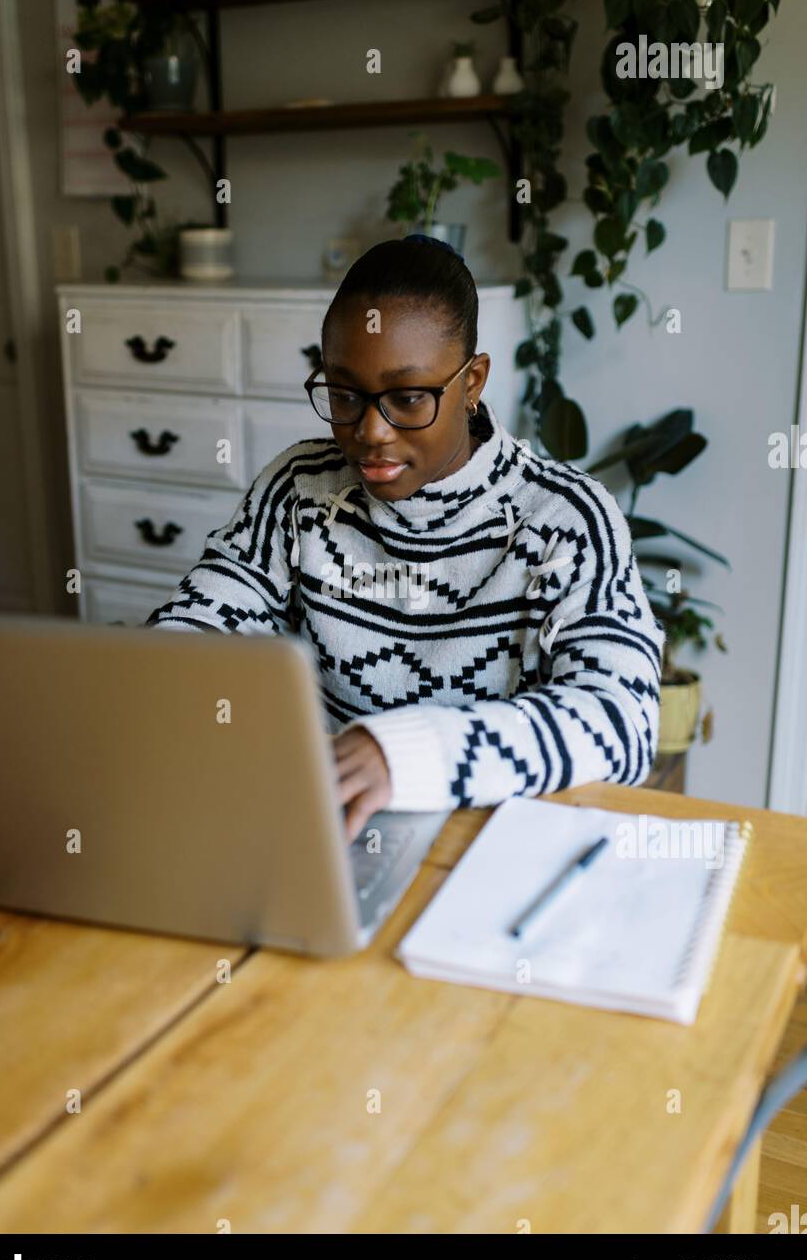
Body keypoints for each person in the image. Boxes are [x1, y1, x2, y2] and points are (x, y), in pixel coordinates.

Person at [146, 236, 664, 841]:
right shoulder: (299, 488)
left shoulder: (566, 519)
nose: (370, 432)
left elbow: (622, 721)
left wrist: (405, 755)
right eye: (344, 394)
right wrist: (161, 681)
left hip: (492, 842)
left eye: (408, 398)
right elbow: (197, 626)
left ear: (473, 383)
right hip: (329, 830)